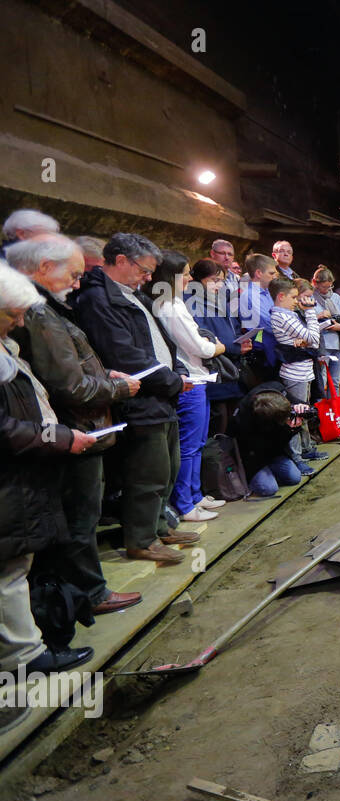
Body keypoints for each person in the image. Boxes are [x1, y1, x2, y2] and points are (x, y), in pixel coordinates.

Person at [5, 235, 143, 615]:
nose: (79, 283)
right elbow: (69, 386)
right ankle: (88, 594)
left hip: (73, 429)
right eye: (75, 274)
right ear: (45, 268)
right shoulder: (38, 314)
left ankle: (79, 594)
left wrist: (102, 374)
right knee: (80, 520)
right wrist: (117, 386)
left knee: (82, 517)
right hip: (74, 430)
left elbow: (73, 369)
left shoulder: (49, 310)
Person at [0, 262, 98, 729]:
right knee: (8, 571)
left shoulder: (6, 345)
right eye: (11, 315)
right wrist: (57, 438)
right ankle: (24, 657)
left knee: (16, 567)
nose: (19, 323)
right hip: (11, 476)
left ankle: (30, 648)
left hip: (23, 473)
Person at [73, 233, 196, 564]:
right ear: (121, 261)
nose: (149, 277)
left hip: (161, 396)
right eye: (144, 269)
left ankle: (158, 527)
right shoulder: (98, 300)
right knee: (147, 473)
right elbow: (125, 354)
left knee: (167, 468)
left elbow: (158, 342)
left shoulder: (132, 294)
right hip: (140, 399)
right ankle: (140, 540)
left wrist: (178, 371)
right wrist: (170, 380)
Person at [152, 251, 228, 521]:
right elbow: (197, 345)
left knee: (196, 442)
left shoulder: (175, 302)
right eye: (184, 274)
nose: (188, 278)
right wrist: (217, 347)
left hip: (199, 376)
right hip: (190, 381)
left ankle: (195, 495)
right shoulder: (168, 306)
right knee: (188, 445)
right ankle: (184, 504)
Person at [187, 257, 251, 436]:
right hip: (214, 371)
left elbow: (234, 326)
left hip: (231, 369)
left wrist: (242, 339)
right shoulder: (192, 303)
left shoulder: (221, 301)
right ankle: (219, 460)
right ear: (198, 280)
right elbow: (204, 336)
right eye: (214, 280)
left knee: (233, 420)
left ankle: (231, 461)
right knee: (218, 422)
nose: (219, 285)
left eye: (221, 281)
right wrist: (235, 347)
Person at [269, 277, 323, 463]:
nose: (296, 301)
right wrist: (310, 312)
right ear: (281, 296)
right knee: (296, 416)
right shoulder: (281, 315)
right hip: (295, 373)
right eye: (293, 297)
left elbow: (309, 340)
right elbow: (313, 339)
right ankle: (297, 457)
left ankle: (306, 449)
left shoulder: (288, 314)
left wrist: (306, 339)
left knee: (304, 413)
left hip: (303, 371)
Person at [231, 383, 311, 498]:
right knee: (269, 489)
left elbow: (309, 409)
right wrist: (290, 430)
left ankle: (271, 472)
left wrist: (303, 407)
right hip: (252, 455)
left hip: (274, 451)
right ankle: (257, 476)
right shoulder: (244, 420)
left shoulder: (277, 389)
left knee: (294, 478)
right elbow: (269, 445)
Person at [311, 266, 340, 396]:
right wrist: (319, 316)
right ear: (315, 284)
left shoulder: (335, 297)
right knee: (321, 380)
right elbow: (304, 321)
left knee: (334, 381)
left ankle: (333, 412)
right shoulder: (310, 298)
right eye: (324, 287)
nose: (328, 290)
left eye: (330, 286)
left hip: (338, 344)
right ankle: (320, 412)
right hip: (322, 345)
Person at [238, 253, 279, 374]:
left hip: (275, 347)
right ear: (258, 273)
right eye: (271, 273)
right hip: (264, 351)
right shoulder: (250, 295)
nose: (274, 277)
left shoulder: (269, 293)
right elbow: (268, 323)